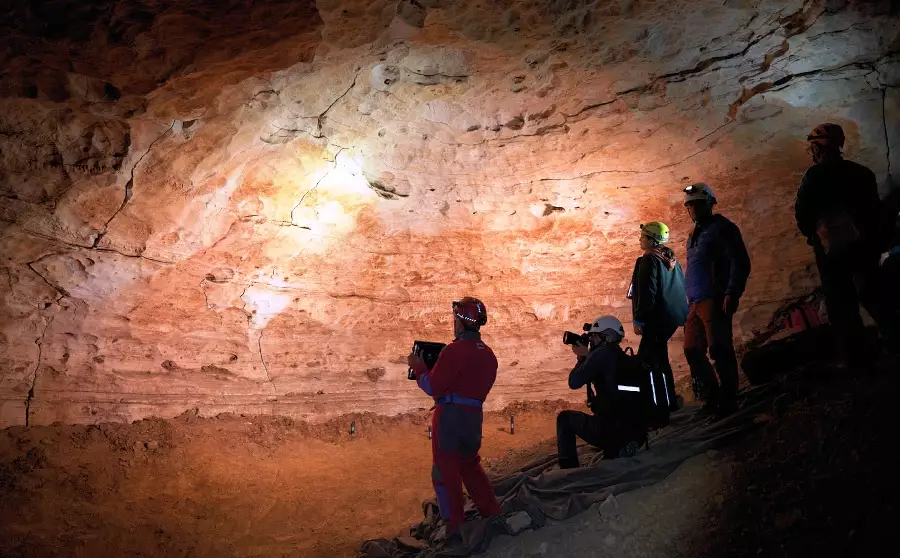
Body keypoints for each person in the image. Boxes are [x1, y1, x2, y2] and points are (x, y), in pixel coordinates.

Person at [794, 123, 900, 363]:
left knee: (841, 304)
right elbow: (875, 212)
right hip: (864, 247)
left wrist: (816, 239)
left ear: (818, 148)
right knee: (873, 294)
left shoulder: (814, 176)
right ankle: (894, 340)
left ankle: (857, 358)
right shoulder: (861, 173)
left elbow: (802, 214)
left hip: (831, 252)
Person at [408, 297, 501, 540]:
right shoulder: (489, 355)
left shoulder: (454, 351)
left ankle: (454, 525)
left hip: (450, 419)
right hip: (473, 419)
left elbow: (433, 386)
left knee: (445, 470)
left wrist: (419, 368)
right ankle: (491, 510)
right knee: (470, 465)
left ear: (460, 321)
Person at [682, 183, 751, 419]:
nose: (692, 209)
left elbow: (739, 261)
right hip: (695, 301)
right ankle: (712, 398)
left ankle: (729, 399)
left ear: (710, 203)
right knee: (692, 349)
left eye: (697, 204)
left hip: (714, 297)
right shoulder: (693, 235)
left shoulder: (723, 228)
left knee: (719, 348)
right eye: (689, 205)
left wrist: (732, 292)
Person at [557, 315, 648, 469]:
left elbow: (574, 382)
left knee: (565, 419)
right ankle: (622, 445)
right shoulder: (619, 355)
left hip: (613, 430)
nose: (591, 340)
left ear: (606, 337)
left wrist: (581, 358)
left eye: (594, 336)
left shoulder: (601, 354)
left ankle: (568, 470)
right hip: (636, 431)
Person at [628, 221, 689, 412]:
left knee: (647, 362)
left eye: (643, 236)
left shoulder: (649, 260)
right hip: (669, 318)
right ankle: (669, 400)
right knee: (660, 359)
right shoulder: (670, 259)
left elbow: (648, 293)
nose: (640, 239)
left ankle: (655, 406)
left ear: (652, 240)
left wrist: (640, 319)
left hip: (655, 320)